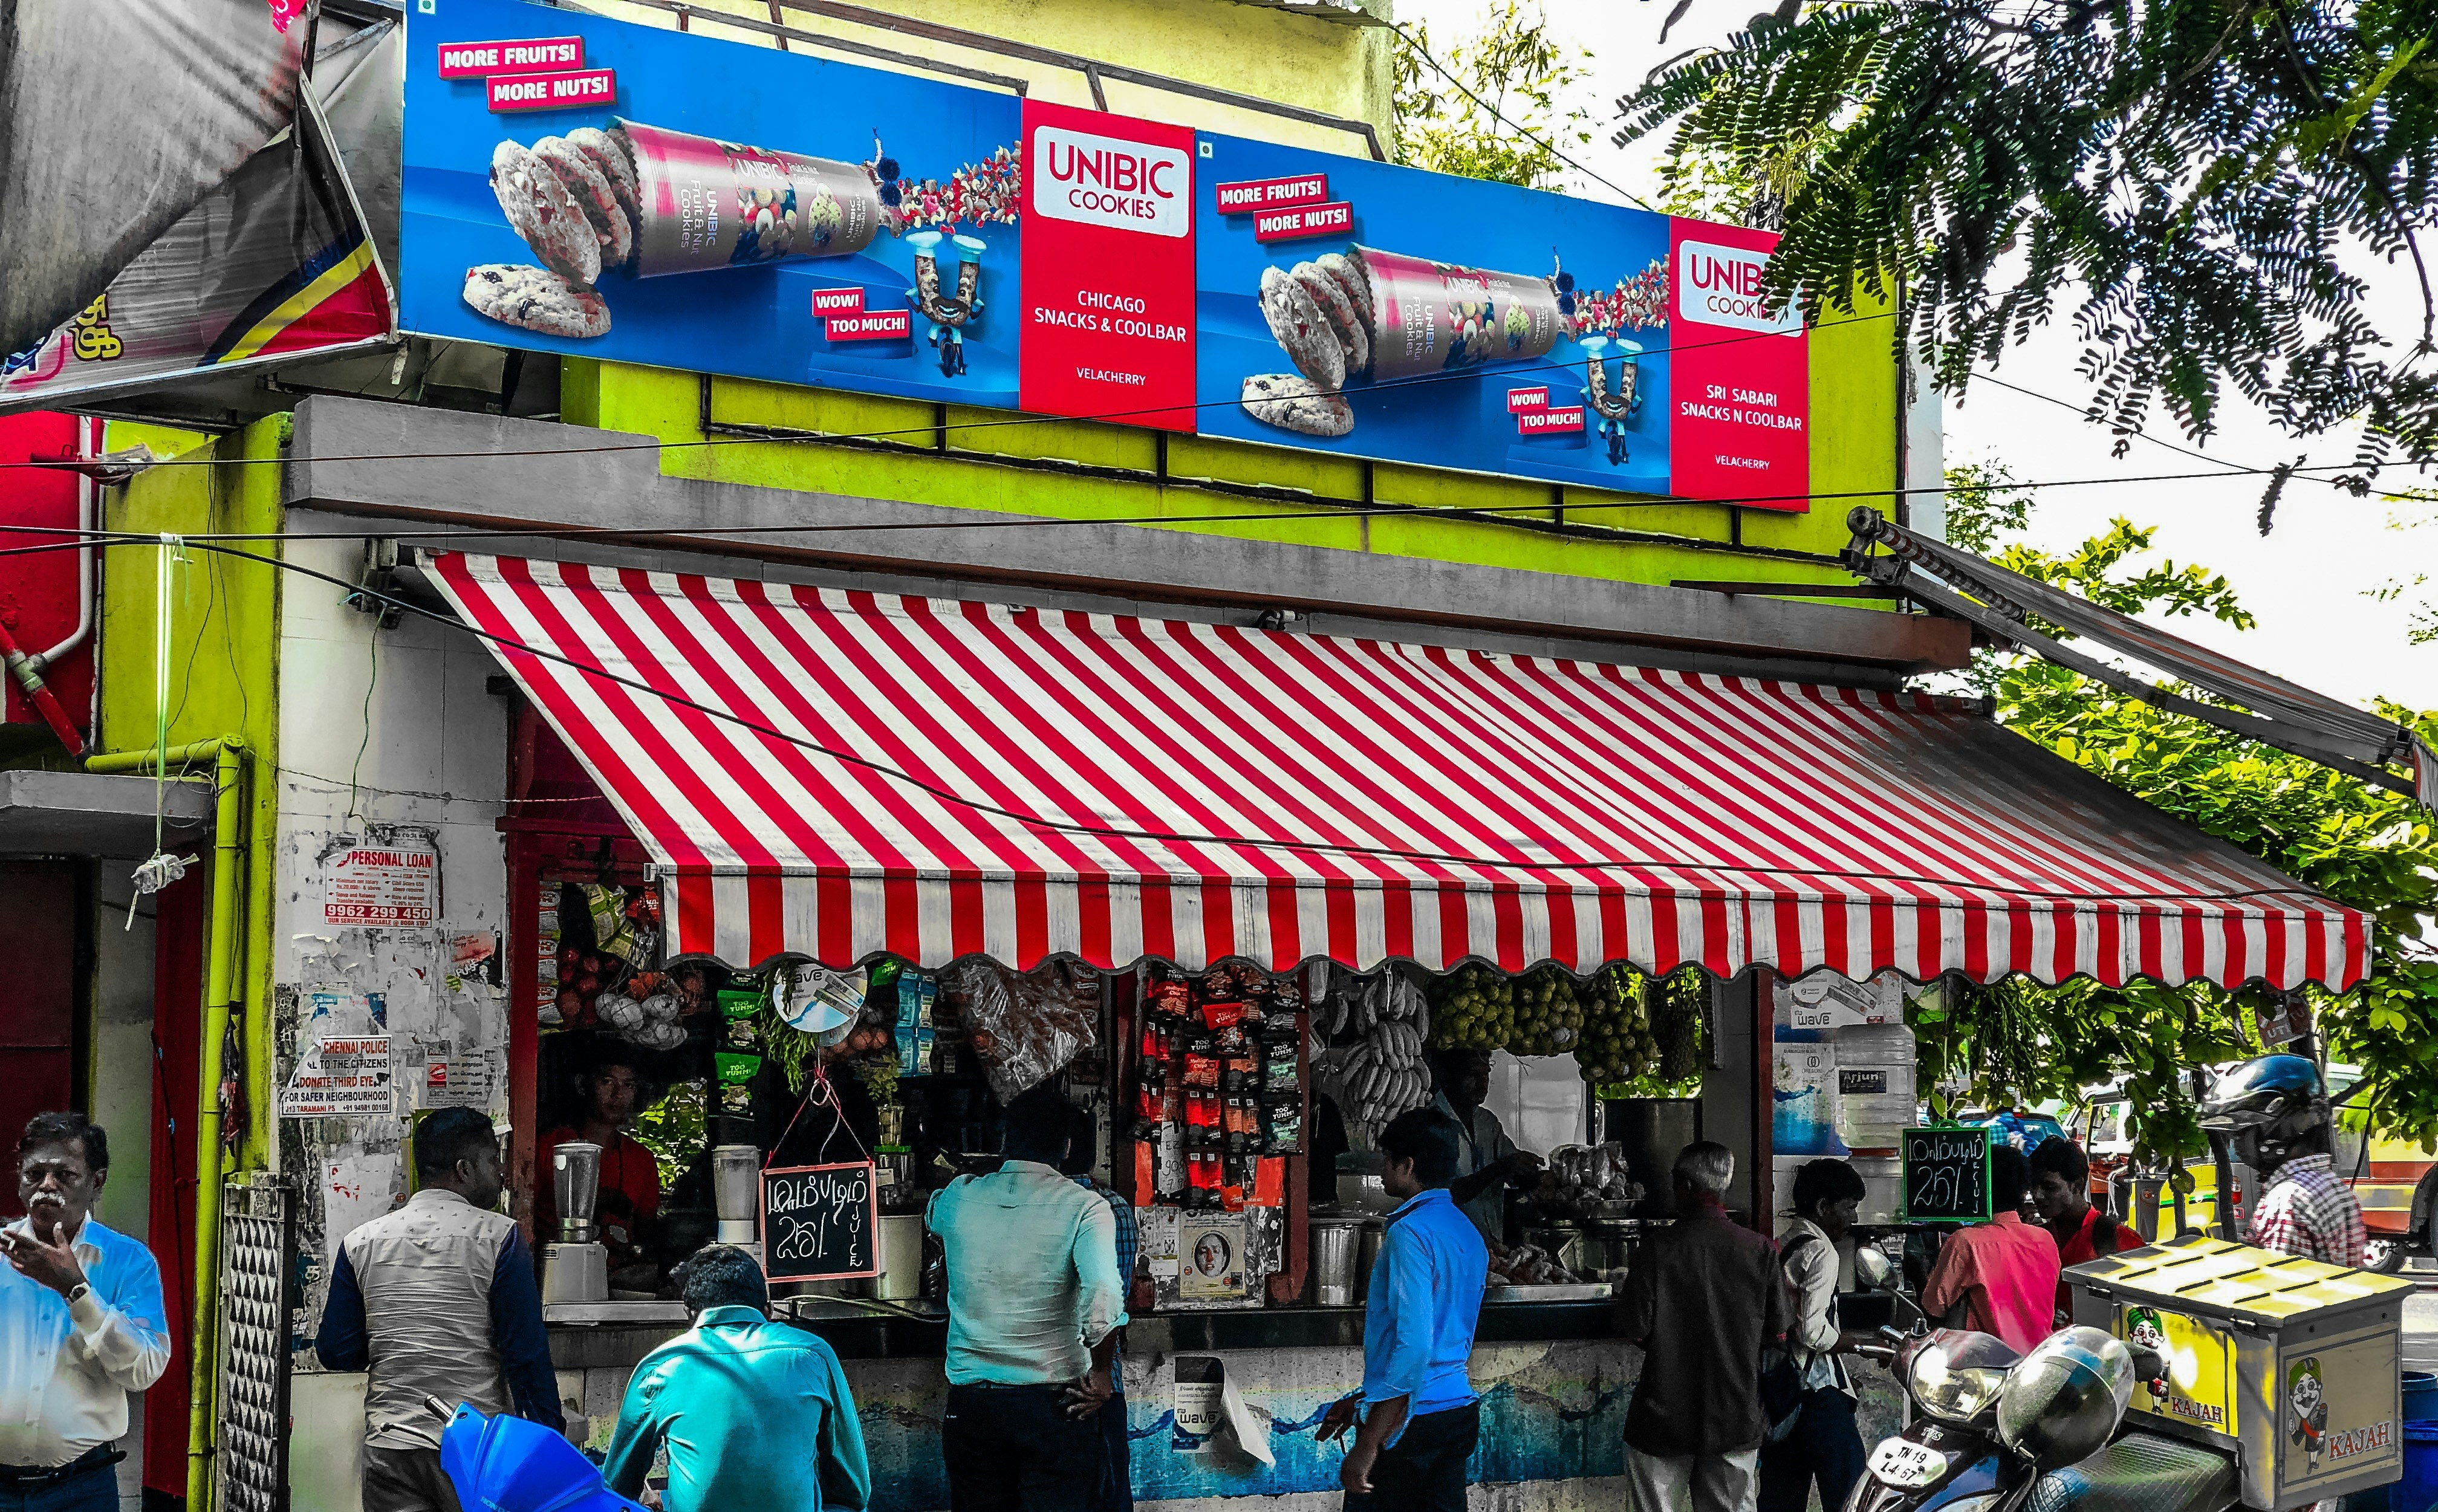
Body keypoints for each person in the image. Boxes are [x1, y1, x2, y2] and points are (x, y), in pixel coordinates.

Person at [316, 1108, 564, 1512]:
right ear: (465, 1169)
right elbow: (526, 1358)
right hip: (473, 1449)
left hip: (391, 1449)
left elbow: (336, 1351)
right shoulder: (498, 1236)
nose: (502, 1170)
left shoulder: (360, 1241)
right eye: (492, 1160)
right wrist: (550, 1450)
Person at [926, 1083, 1125, 1511]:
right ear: (1068, 1144)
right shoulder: (1086, 1207)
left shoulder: (959, 1196)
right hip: (1053, 1406)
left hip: (973, 1406)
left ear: (1003, 1140)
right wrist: (1105, 1370)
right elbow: (1104, 1293)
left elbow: (932, 1213)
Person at [603, 1244, 870, 1512]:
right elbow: (853, 1492)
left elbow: (616, 1488)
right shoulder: (814, 1354)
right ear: (769, 1310)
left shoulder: (662, 1365)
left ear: (688, 1313)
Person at [1318, 1107, 1487, 1510]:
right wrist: (1365, 1397)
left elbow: (1415, 1348)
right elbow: (1441, 1340)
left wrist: (1369, 1441)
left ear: (1407, 1166)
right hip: (1456, 1413)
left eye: (1385, 1156)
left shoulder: (1408, 1233)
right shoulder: (1468, 1231)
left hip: (1412, 1424)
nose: (1380, 1166)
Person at [0, 1112, 170, 1511]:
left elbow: (144, 1370)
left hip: (80, 1490)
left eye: (64, 1175)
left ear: (97, 1181)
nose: (47, 1185)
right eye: (34, 1173)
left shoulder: (129, 1262)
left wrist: (77, 1291)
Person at [1615, 1142, 1790, 1512]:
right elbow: (1778, 1331)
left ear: (1686, 1185)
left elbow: (1635, 1327)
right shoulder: (1759, 1250)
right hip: (1736, 1412)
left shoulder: (1656, 1249)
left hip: (1662, 1415)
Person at [1757, 1160, 1872, 1512]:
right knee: (1850, 1496)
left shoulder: (1784, 1242)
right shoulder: (1822, 1252)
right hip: (1819, 1392)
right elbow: (1812, 1331)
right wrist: (1855, 1341)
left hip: (1783, 1392)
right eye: (1849, 1207)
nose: (1853, 1218)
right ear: (1823, 1207)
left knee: (1781, 1497)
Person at [2201, 1054, 2365, 1267]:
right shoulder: (2336, 1188)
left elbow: (2281, 1288)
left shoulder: (2286, 1201)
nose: (2236, 1145)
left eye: (2242, 1132)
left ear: (2277, 1130)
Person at [1061, 1104, 1137, 1512]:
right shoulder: (1112, 1206)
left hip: (1055, 1381)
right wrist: (1103, 1373)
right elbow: (1109, 1297)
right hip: (1099, 1384)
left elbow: (1102, 1300)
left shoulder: (1038, 1206)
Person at [538, 1048, 663, 1288]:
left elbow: (647, 1230)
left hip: (620, 1284)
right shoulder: (549, 1147)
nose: (618, 1095)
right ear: (583, 1085)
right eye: (607, 1082)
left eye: (628, 1085)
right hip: (555, 1278)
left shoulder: (642, 1159)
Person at [1919, 1143, 2059, 1354]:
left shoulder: (1965, 1242)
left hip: (1985, 1369)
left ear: (1976, 1187)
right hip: (2037, 1362)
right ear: (2023, 1191)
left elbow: (1933, 1308)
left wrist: (1918, 1273)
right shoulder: (2044, 1239)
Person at [1428, 1049, 1544, 1244]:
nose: (1483, 1083)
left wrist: (1540, 1174)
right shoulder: (1429, 1122)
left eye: (1486, 1074)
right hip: (1449, 1249)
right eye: (1473, 1075)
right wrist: (1501, 1167)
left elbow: (1516, 1176)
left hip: (1491, 1247)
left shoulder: (1487, 1123)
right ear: (1446, 1077)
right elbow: (1446, 1194)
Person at [2028, 1137, 2124, 1322]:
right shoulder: (2036, 1237)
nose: (2037, 1195)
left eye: (2049, 1187)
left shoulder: (2116, 1238)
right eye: (2033, 1187)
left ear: (2077, 1185)